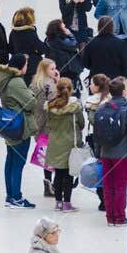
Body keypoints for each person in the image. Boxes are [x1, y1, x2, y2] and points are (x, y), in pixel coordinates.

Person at [92, 76, 127, 226]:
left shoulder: (102, 108)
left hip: (106, 153)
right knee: (120, 186)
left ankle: (110, 216)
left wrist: (98, 152)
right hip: (123, 154)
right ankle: (119, 217)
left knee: (108, 186)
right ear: (124, 91)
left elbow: (97, 132)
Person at [0, 52, 38, 208]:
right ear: (21, 66)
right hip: (20, 127)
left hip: (10, 126)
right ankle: (16, 197)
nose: (27, 67)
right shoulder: (17, 82)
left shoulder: (5, 79)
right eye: (26, 64)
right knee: (18, 164)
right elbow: (31, 103)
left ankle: (10, 196)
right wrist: (32, 94)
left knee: (11, 162)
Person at [43, 77, 83, 211]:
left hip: (55, 142)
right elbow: (81, 124)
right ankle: (67, 203)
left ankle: (58, 203)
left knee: (58, 174)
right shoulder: (75, 106)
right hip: (70, 142)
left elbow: (48, 124)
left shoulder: (50, 105)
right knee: (69, 175)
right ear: (71, 89)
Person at [8, 7, 43, 83]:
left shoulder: (13, 32)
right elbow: (41, 49)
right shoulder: (30, 32)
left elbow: (10, 49)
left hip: (18, 65)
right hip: (32, 66)